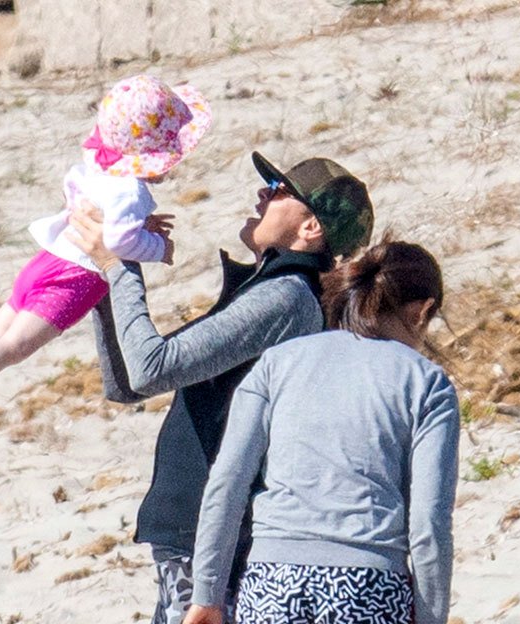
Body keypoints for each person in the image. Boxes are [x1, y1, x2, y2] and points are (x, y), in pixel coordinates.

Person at [67, 152, 375, 624]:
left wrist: (119, 261)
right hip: (195, 528)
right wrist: (106, 269)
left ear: (310, 227)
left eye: (277, 191)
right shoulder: (266, 288)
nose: (261, 193)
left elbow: (150, 368)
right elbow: (128, 383)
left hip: (216, 537)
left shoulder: (286, 294)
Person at [0, 74, 211, 436]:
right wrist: (159, 249)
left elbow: (99, 210)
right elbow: (120, 242)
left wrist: (142, 225)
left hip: (48, 259)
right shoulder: (132, 191)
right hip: (76, 277)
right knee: (14, 345)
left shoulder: (100, 169)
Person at [183, 239, 460, 624]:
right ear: (422, 310)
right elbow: (428, 522)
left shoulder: (278, 362)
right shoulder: (427, 381)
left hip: (272, 581)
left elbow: (227, 482)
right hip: (370, 586)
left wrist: (207, 593)